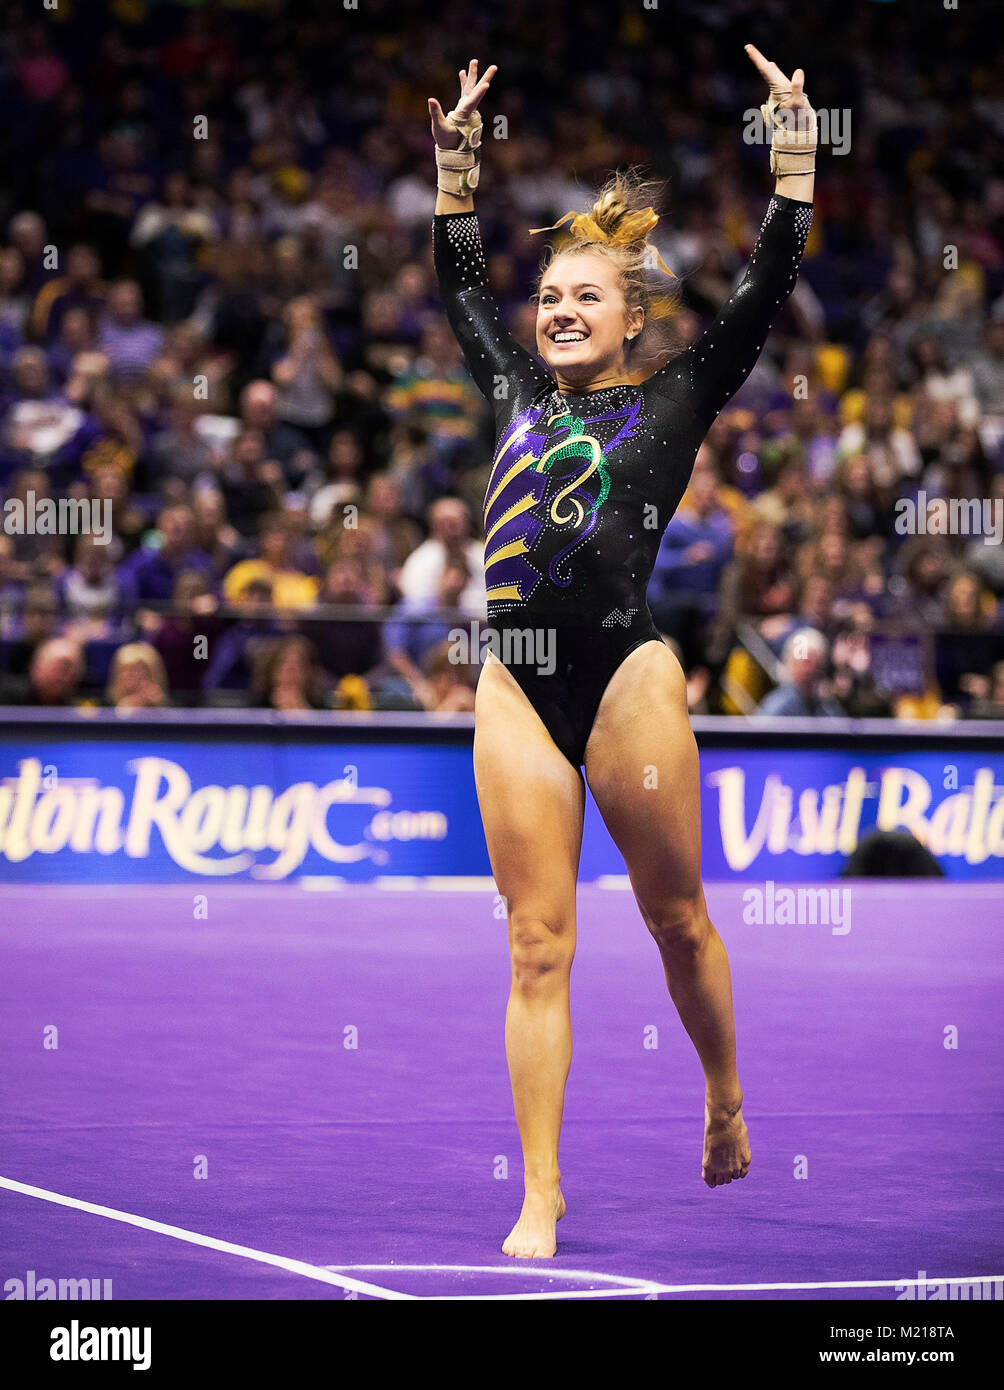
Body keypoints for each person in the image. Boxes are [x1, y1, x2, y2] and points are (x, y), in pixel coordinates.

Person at [429, 50, 817, 1257]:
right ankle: (540, 1191)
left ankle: (722, 1093)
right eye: (548, 298)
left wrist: (793, 158)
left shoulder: (677, 395)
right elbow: (458, 290)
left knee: (679, 919)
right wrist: (456, 175)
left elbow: (764, 288)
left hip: (626, 679)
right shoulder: (510, 389)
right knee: (535, 942)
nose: (555, 313)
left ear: (631, 316)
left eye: (583, 298)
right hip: (514, 682)